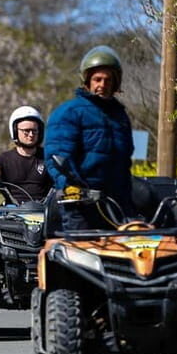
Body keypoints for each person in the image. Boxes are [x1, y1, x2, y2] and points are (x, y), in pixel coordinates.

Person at [44, 45, 133, 230]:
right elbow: (57, 157)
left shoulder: (120, 117)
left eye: (108, 80)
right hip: (80, 205)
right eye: (97, 79)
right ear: (87, 81)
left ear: (115, 84)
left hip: (116, 205)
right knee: (81, 256)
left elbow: (125, 163)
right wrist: (74, 188)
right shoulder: (69, 112)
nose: (102, 85)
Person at [0, 106, 50, 203]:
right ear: (15, 131)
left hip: (45, 212)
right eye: (26, 131)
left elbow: (62, 178)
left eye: (34, 131)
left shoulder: (48, 156)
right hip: (12, 213)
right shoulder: (4, 159)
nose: (31, 135)